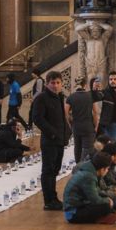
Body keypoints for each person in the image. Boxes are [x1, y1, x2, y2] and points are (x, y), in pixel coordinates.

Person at [31, 71, 72, 211]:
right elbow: (37, 118)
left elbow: (61, 118)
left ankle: (53, 198)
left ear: (62, 84)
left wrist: (67, 133)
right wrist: (53, 134)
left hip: (59, 140)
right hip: (50, 141)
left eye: (58, 83)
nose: (55, 85)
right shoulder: (41, 98)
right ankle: (49, 201)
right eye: (52, 83)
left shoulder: (59, 97)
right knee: (48, 171)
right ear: (47, 84)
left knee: (55, 170)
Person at [63, 152, 115, 224]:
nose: (107, 171)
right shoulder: (89, 176)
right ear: (102, 169)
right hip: (73, 213)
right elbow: (95, 200)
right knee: (106, 206)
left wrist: (108, 198)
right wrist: (108, 201)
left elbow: (96, 192)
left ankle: (101, 217)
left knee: (110, 201)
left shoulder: (89, 171)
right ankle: (100, 218)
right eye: (107, 169)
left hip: (80, 205)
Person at [66, 76, 97, 163]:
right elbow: (95, 112)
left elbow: (66, 113)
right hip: (88, 126)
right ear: (85, 84)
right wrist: (96, 125)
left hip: (76, 126)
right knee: (88, 148)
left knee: (77, 147)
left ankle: (78, 165)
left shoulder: (71, 97)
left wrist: (70, 124)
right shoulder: (90, 96)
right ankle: (86, 166)